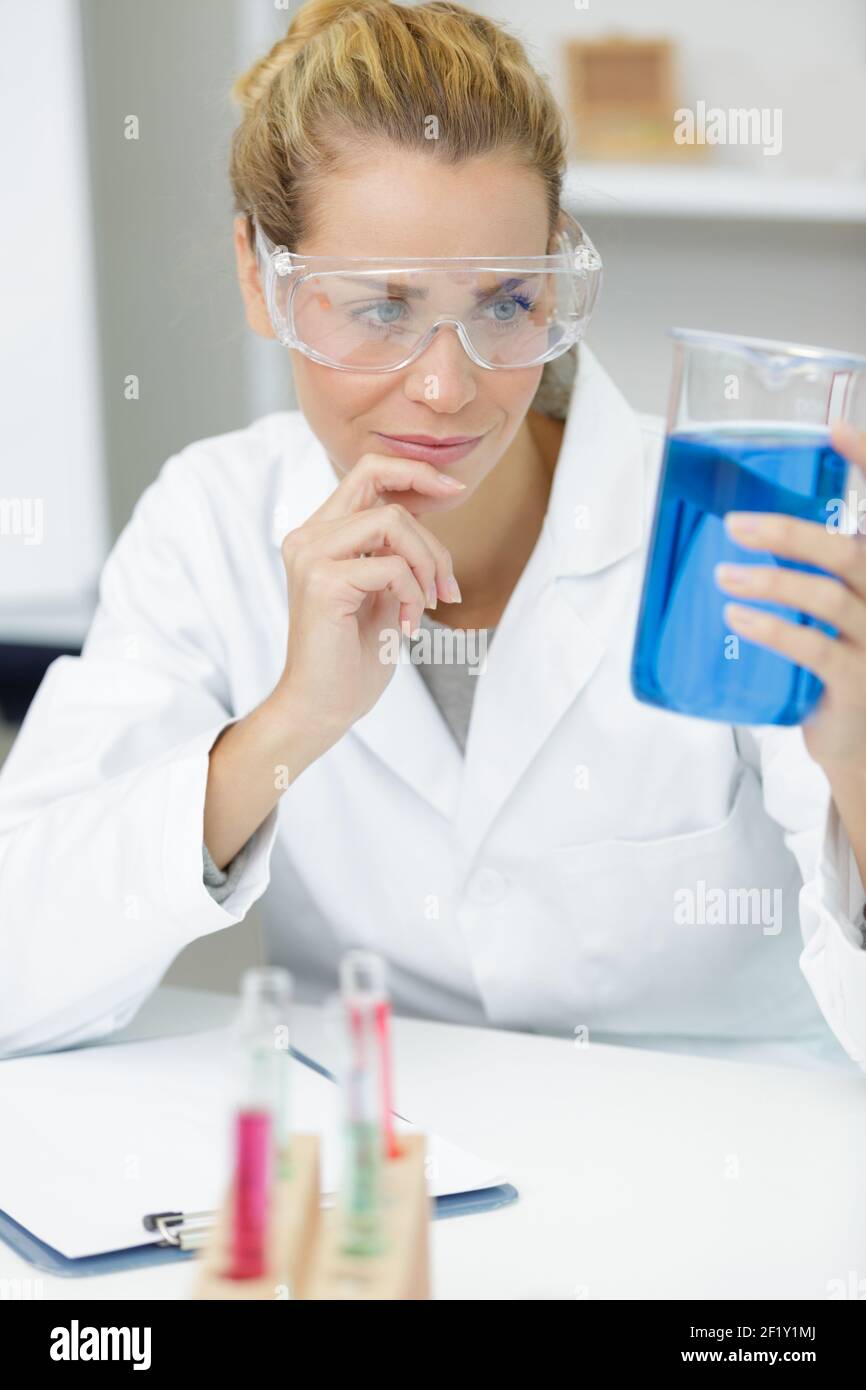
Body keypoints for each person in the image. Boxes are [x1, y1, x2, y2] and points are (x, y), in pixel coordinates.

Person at [1, 0, 865, 1071]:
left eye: (505, 303)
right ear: (260, 278)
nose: (448, 388)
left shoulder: (728, 522)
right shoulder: (209, 522)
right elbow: (15, 971)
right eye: (381, 309)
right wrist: (291, 724)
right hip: (385, 1149)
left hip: (742, 1148)